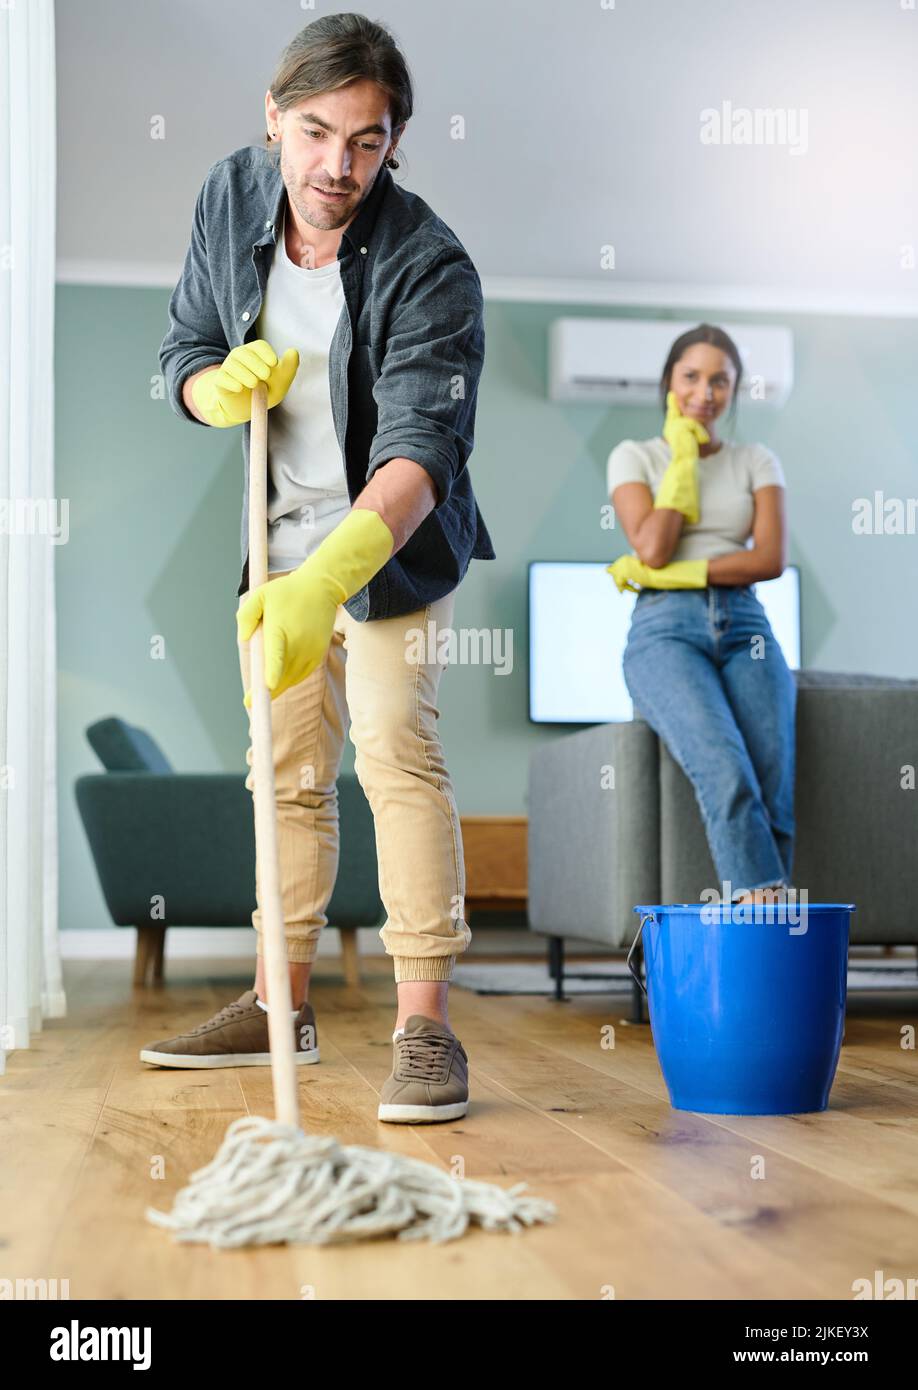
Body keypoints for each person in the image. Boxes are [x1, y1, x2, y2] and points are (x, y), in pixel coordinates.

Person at [141, 14, 495, 1124]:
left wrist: (326, 578)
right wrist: (214, 388)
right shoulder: (228, 198)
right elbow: (185, 351)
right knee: (282, 772)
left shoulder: (430, 263)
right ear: (273, 118)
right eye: (315, 133)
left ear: (395, 142)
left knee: (395, 751)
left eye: (368, 141)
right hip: (276, 539)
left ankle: (424, 1025)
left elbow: (420, 456)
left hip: (382, 554)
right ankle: (275, 1002)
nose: (337, 166)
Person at [607, 324, 795, 906]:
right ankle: (763, 909)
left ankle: (766, 933)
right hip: (665, 630)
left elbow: (769, 559)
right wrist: (682, 462)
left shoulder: (755, 460)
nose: (705, 391)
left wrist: (693, 571)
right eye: (692, 376)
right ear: (669, 382)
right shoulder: (635, 457)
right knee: (725, 768)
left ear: (735, 390)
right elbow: (654, 551)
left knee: (773, 782)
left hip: (746, 628)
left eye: (721, 380)